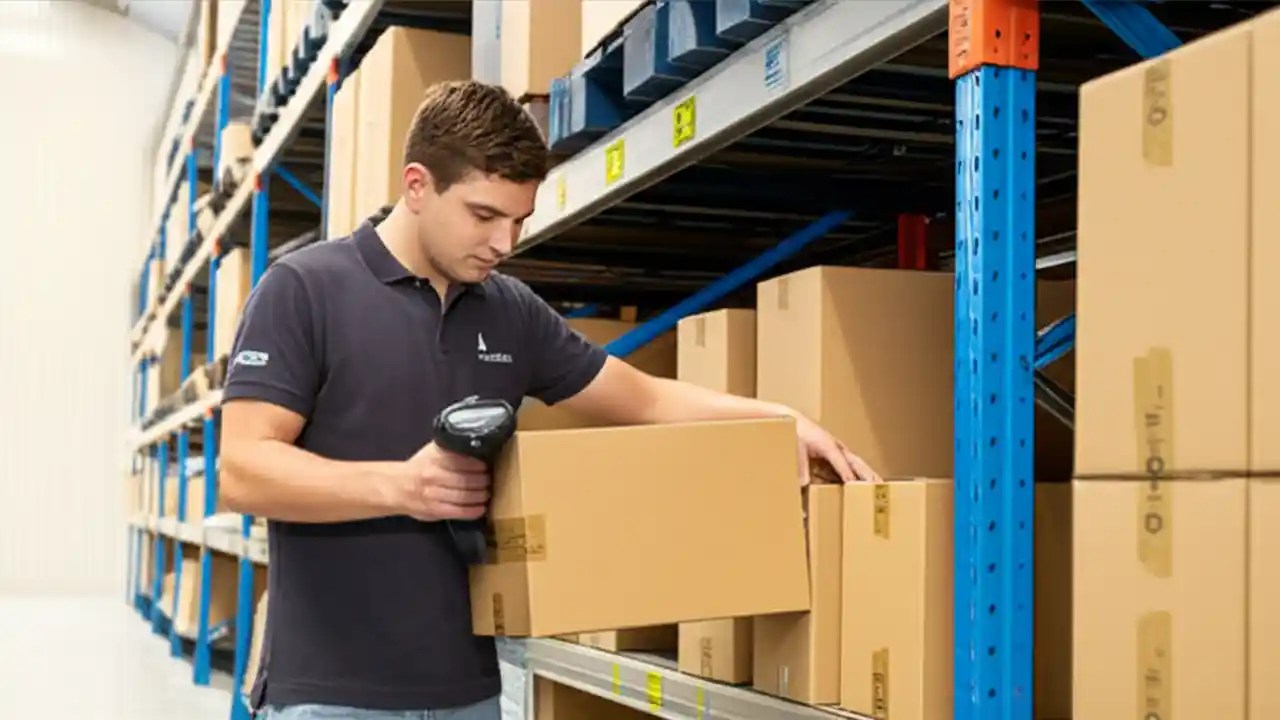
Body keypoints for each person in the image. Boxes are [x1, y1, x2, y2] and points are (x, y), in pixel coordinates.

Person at [219, 79, 879, 720]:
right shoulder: (306, 289)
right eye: (484, 215)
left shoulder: (510, 313)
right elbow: (243, 470)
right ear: (416, 185)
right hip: (330, 695)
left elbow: (644, 400)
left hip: (469, 692)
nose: (505, 244)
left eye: (519, 220)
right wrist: (403, 487)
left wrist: (782, 420)